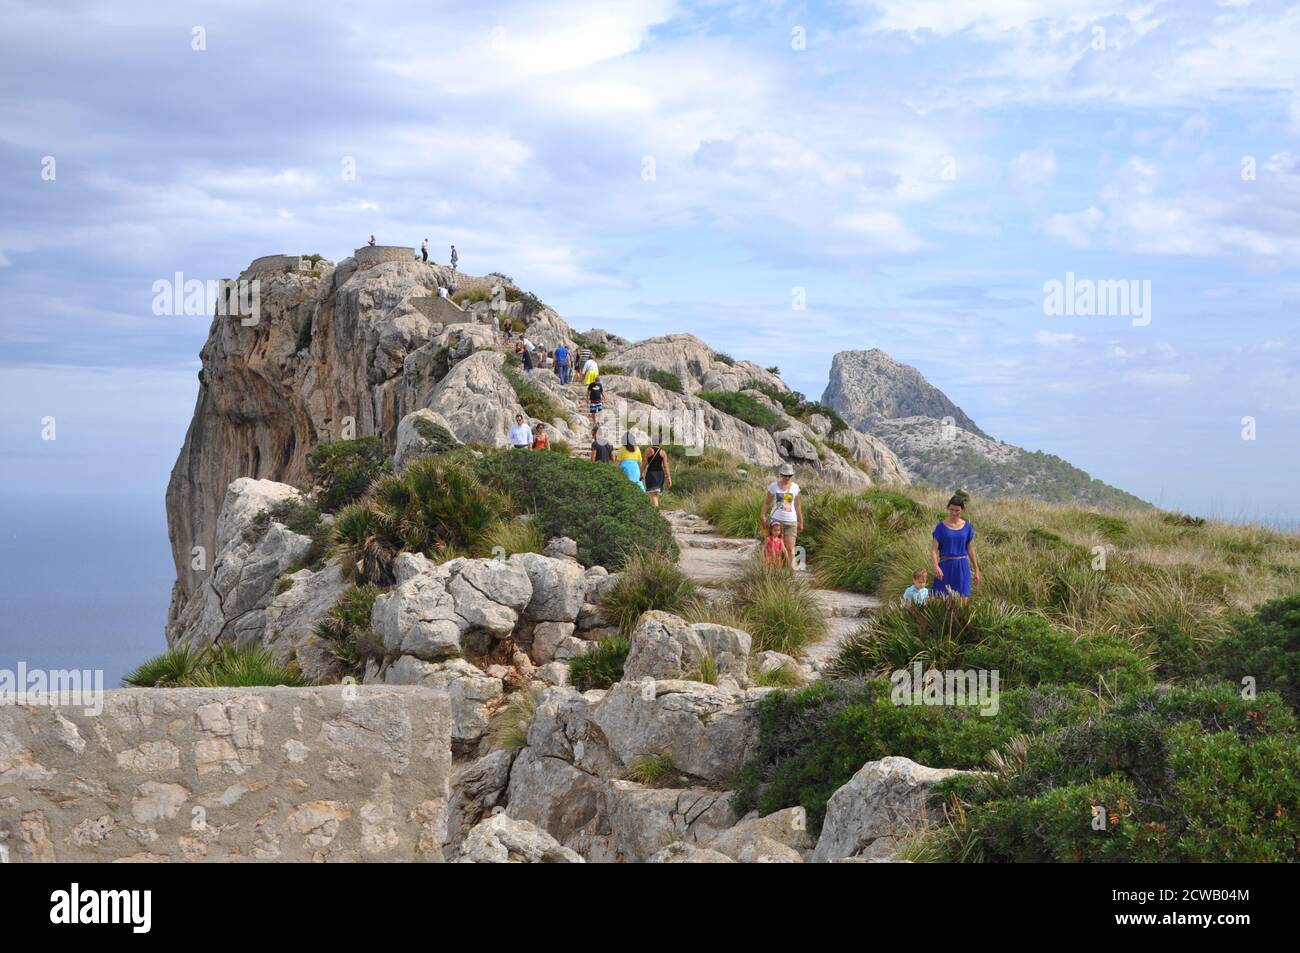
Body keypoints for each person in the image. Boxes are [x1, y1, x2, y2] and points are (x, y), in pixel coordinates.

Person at [930, 493, 980, 599]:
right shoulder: (940, 527)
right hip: (944, 567)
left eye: (957, 510)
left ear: (962, 510)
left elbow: (970, 549)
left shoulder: (967, 527)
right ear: (948, 508)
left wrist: (976, 570)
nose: (954, 513)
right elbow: (933, 550)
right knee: (941, 600)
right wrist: (935, 566)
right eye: (952, 509)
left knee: (963, 601)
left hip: (962, 567)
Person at [761, 463, 803, 569]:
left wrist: (801, 521)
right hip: (776, 521)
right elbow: (767, 503)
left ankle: (791, 576)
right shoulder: (773, 486)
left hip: (791, 521)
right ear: (781, 474)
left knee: (790, 549)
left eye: (789, 475)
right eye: (785, 475)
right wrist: (762, 515)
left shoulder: (795, 487)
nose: (787, 477)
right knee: (773, 547)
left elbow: (797, 505)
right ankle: (771, 571)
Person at [641, 441, 671, 508]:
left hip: (651, 474)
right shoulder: (663, 452)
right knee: (655, 494)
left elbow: (644, 463)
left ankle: (656, 512)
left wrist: (640, 473)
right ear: (660, 443)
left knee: (652, 494)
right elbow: (666, 466)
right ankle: (654, 510)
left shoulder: (648, 450)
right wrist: (669, 478)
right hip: (660, 474)